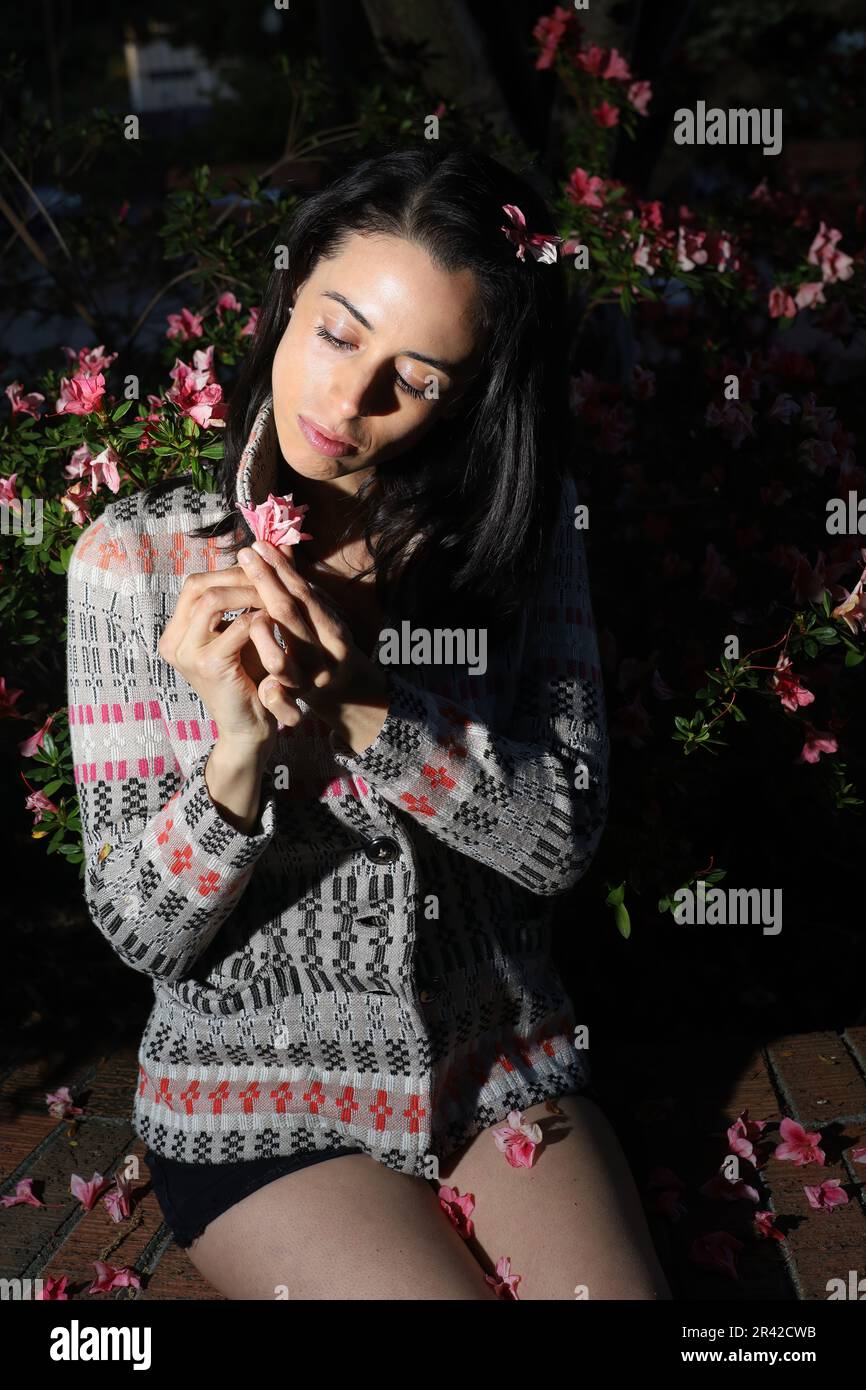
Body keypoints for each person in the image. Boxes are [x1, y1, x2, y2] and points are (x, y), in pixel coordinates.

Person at [66, 145, 671, 1300]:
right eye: (339, 332)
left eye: (420, 377)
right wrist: (235, 756)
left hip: (498, 1065)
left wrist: (366, 708)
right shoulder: (138, 561)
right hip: (254, 1100)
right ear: (291, 299)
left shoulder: (516, 548)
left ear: (474, 393)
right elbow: (143, 935)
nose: (348, 402)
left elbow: (559, 838)